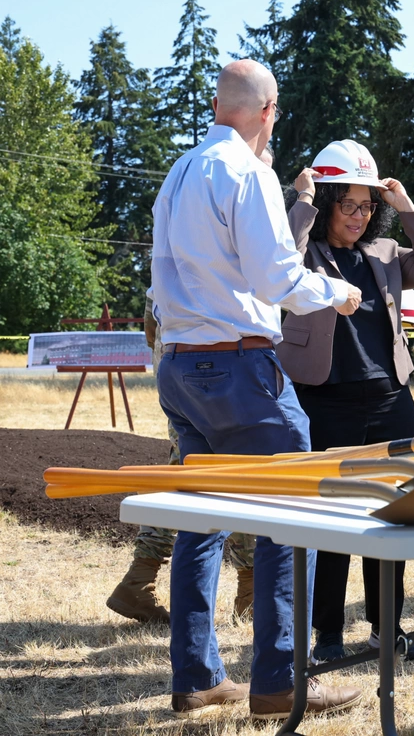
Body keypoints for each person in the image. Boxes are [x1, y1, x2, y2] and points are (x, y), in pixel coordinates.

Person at [150, 59, 364, 720]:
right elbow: (277, 280)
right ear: (268, 111)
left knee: (201, 523)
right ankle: (279, 681)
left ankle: (196, 679)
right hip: (239, 366)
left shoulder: (180, 171)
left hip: (180, 366)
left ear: (220, 106)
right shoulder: (249, 173)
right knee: (291, 515)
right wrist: (339, 292)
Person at [275, 139, 414, 662]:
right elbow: (280, 259)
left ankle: (385, 627)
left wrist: (407, 207)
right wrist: (303, 200)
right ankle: (327, 635)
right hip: (325, 401)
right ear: (328, 203)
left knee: (391, 518)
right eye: (347, 204)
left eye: (367, 206)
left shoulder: (386, 254)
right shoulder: (305, 254)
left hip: (392, 400)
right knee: (333, 523)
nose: (358, 216)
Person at [104, 141, 276, 625]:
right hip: (217, 367)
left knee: (193, 474)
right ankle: (245, 589)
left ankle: (140, 580)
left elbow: (153, 326)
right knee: (224, 476)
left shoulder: (181, 227)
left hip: (181, 365)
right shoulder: (231, 229)